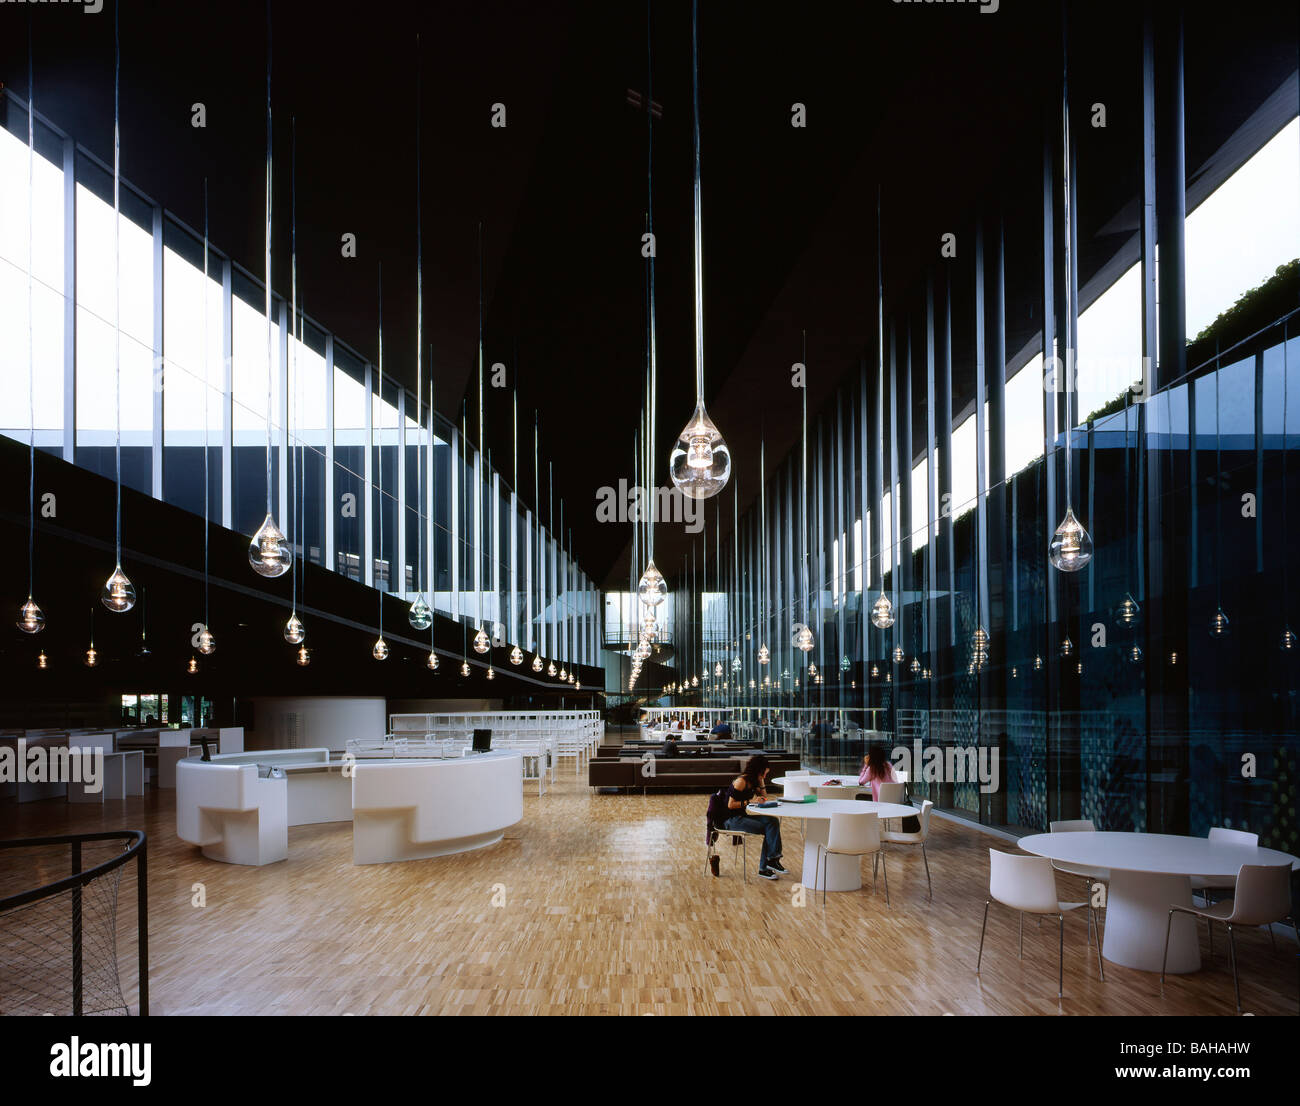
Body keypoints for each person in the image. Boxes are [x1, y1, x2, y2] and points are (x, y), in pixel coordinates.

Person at [722, 754, 786, 879]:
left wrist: (761, 780)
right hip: (731, 820)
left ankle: (770, 861)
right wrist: (749, 802)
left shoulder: (753, 781)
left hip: (742, 817)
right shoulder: (741, 781)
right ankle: (767, 865)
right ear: (758, 770)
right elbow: (730, 805)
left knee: (773, 821)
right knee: (769, 828)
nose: (766, 776)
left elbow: (764, 796)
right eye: (764, 773)